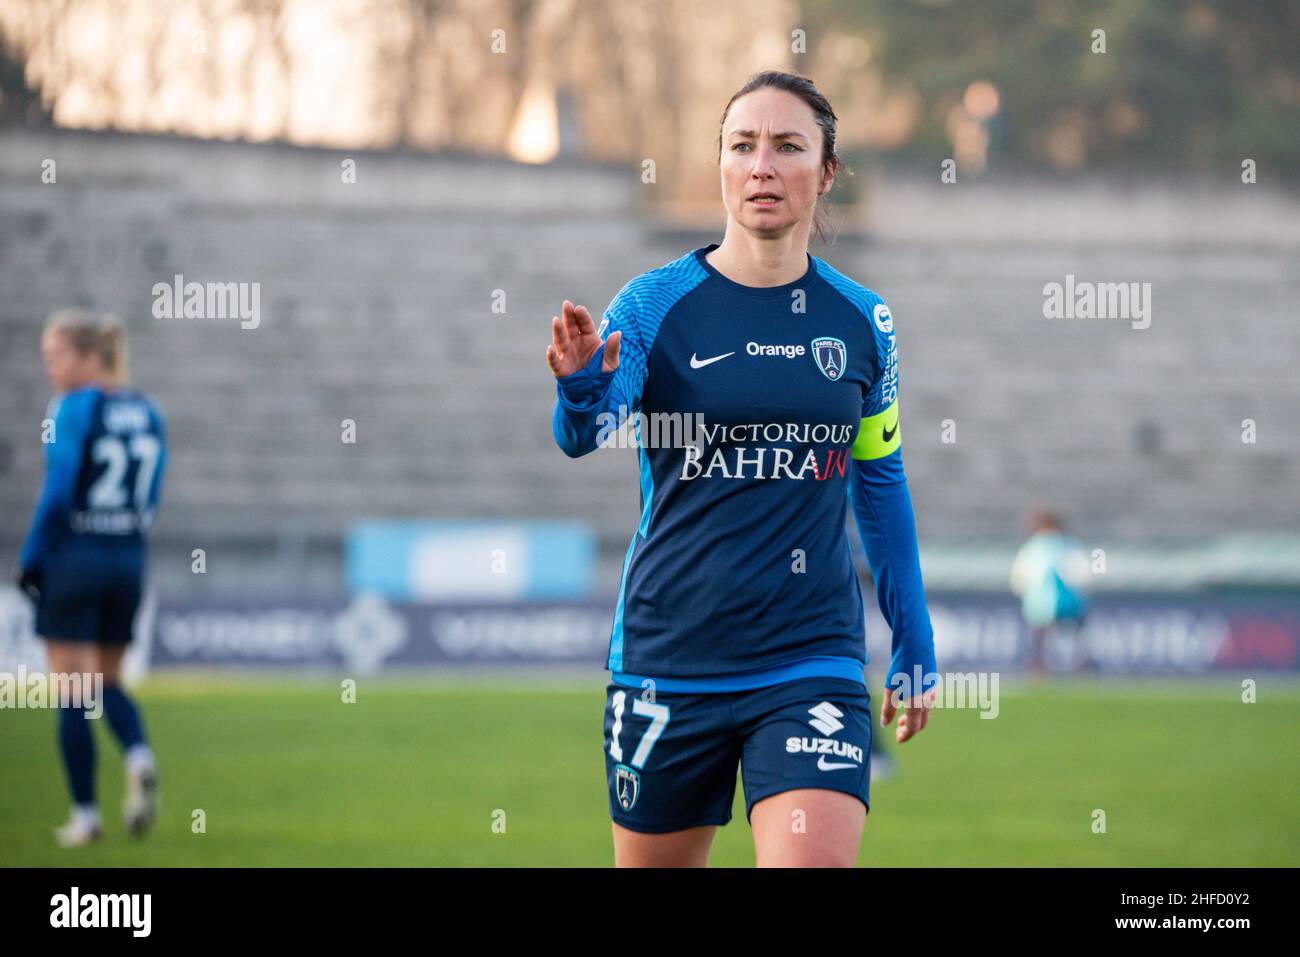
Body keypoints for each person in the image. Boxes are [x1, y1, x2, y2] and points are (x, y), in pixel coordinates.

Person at [547, 70, 937, 867]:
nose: (762, 165)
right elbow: (586, 433)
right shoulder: (654, 303)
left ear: (826, 173)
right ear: (721, 165)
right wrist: (581, 387)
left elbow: (881, 482)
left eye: (788, 146)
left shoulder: (865, 321)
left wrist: (913, 636)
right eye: (742, 146)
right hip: (668, 655)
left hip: (811, 659)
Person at [17, 308, 167, 847]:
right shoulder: (148, 410)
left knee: (74, 691)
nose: (51, 369)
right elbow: (151, 495)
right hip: (128, 559)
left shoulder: (72, 407)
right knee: (108, 681)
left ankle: (85, 815)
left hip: (77, 557)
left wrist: (33, 559)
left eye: (55, 357)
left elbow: (58, 492)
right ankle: (139, 753)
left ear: (86, 356)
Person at [1009, 508, 1091, 674]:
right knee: (1074, 639)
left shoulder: (1032, 547)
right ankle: (1079, 670)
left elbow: (1018, 579)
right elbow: (1084, 576)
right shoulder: (1070, 546)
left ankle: (1039, 671)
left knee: (1039, 642)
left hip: (1039, 604)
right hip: (1071, 603)